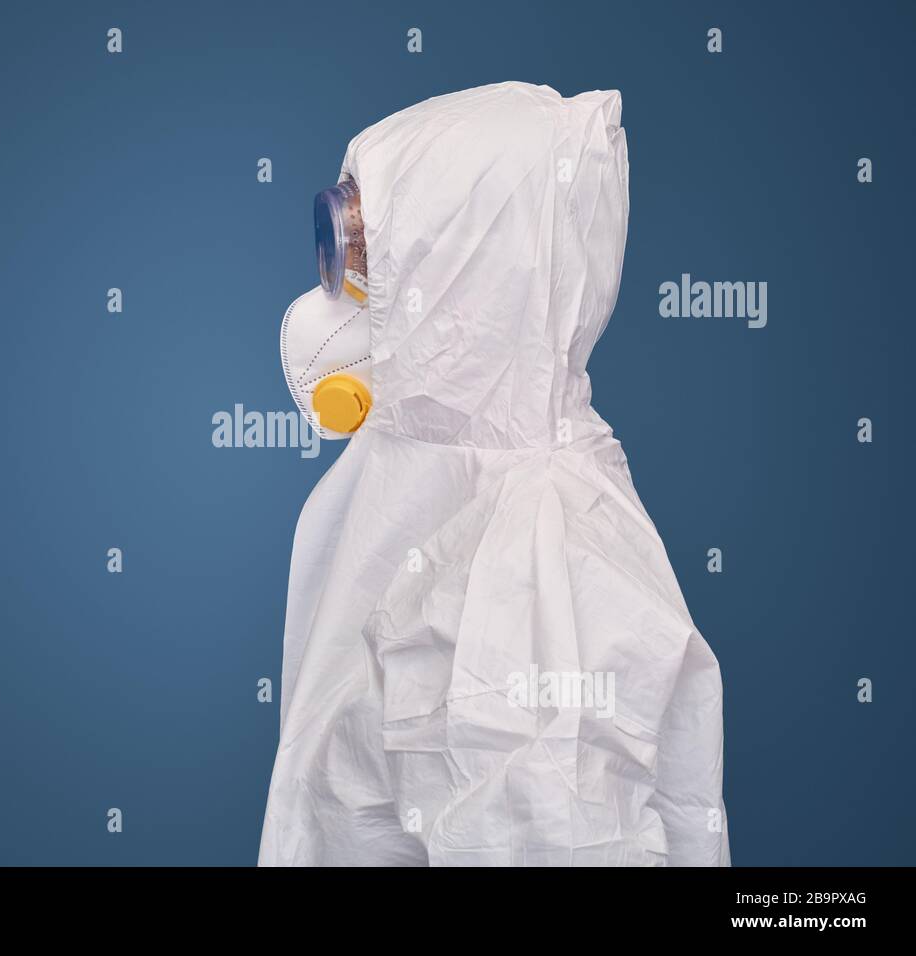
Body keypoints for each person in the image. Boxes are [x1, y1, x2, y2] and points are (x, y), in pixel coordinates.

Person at [265, 81, 729, 867]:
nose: (343, 295)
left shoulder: (537, 552)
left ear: (471, 274)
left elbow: (553, 837)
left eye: (377, 263)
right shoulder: (405, 479)